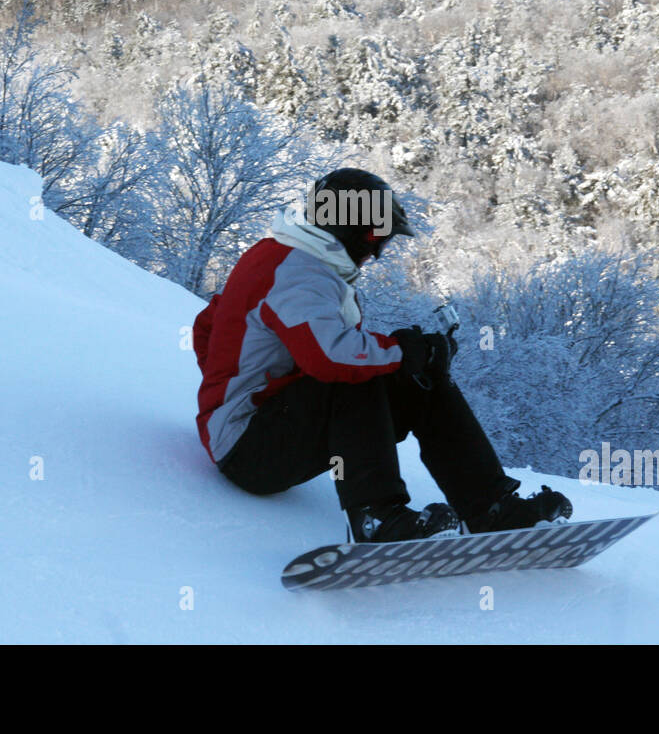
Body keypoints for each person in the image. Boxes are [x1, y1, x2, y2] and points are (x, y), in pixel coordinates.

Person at [193, 167, 573, 542]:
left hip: (261, 430)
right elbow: (332, 359)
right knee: (358, 372)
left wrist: (416, 359)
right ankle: (376, 518)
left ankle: (491, 508)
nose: (376, 251)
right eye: (377, 237)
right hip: (247, 450)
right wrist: (403, 351)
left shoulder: (289, 259)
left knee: (420, 380)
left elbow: (207, 325)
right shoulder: (297, 271)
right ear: (352, 229)